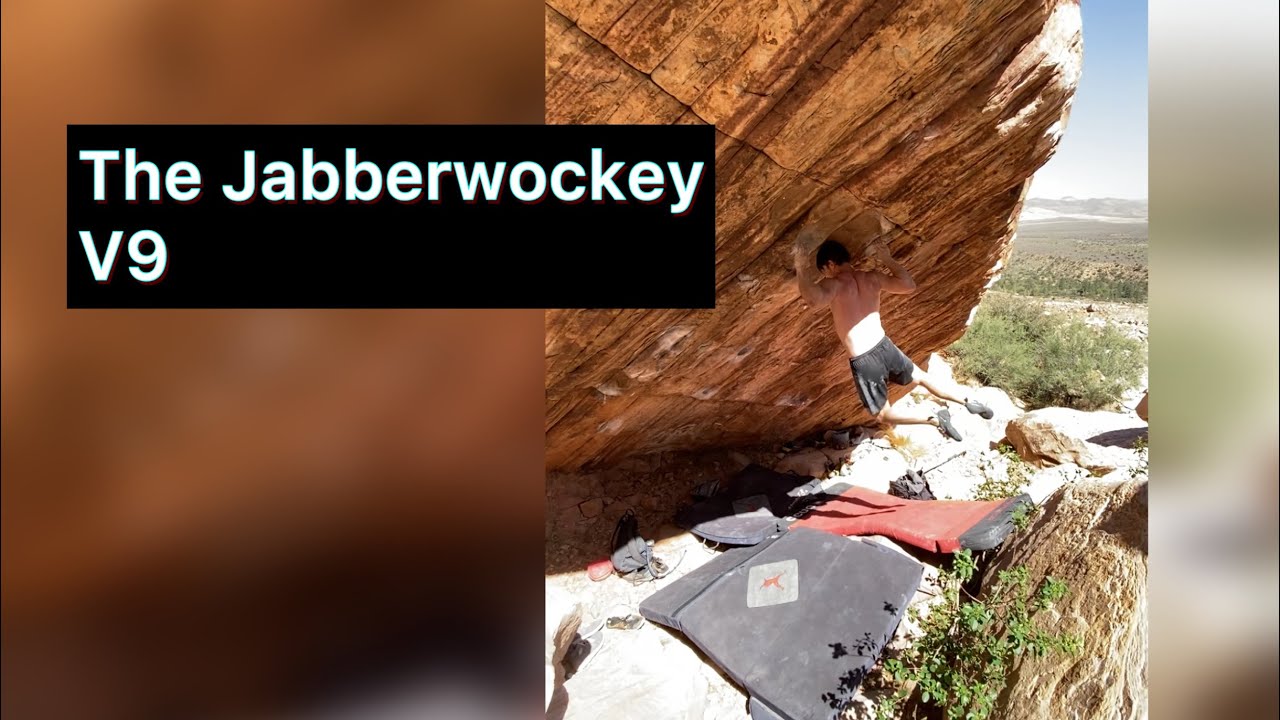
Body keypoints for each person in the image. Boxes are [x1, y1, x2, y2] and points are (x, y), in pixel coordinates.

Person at [792, 205, 992, 441]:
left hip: (865, 359)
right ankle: (967, 400)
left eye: (823, 271)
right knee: (923, 378)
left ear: (829, 265)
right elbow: (909, 286)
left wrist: (800, 266)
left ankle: (934, 419)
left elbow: (813, 299)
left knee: (883, 415)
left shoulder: (834, 285)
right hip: (884, 345)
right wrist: (886, 258)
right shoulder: (871, 278)